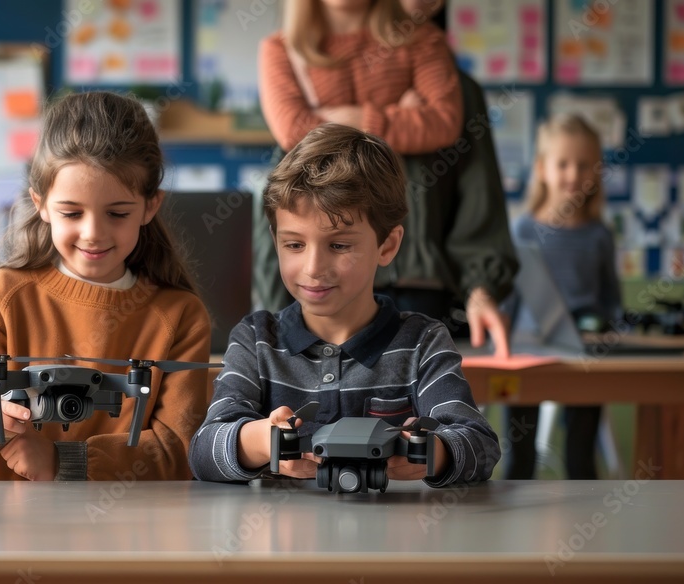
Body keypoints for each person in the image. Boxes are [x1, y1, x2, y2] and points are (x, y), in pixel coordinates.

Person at [189, 124, 500, 486]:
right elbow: (202, 451)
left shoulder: (423, 342)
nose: (313, 268)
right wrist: (261, 440)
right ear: (274, 240)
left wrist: (435, 452)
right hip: (282, 540)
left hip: (392, 539)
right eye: (294, 245)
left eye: (339, 246)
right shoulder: (256, 341)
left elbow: (481, 446)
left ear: (387, 246)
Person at [0, 91, 213, 482]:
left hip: (125, 533)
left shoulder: (180, 315)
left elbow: (180, 450)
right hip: (1, 532)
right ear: (40, 204)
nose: (93, 233)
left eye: (117, 213)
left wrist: (66, 461)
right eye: (71, 213)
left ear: (150, 206)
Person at [254, 0, 518, 358]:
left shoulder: (428, 50)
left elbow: (473, 185)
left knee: (409, 404)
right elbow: (289, 151)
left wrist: (481, 288)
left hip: (414, 283)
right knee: (312, 405)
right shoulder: (284, 52)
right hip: (314, 285)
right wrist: (395, 121)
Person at [503, 114, 621, 480]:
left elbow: (610, 298)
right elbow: (508, 296)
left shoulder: (598, 234)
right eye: (563, 163)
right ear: (541, 168)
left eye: (584, 165)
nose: (573, 174)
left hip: (585, 355)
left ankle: (585, 529)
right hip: (528, 354)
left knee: (581, 457)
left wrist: (612, 332)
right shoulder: (522, 228)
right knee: (520, 459)